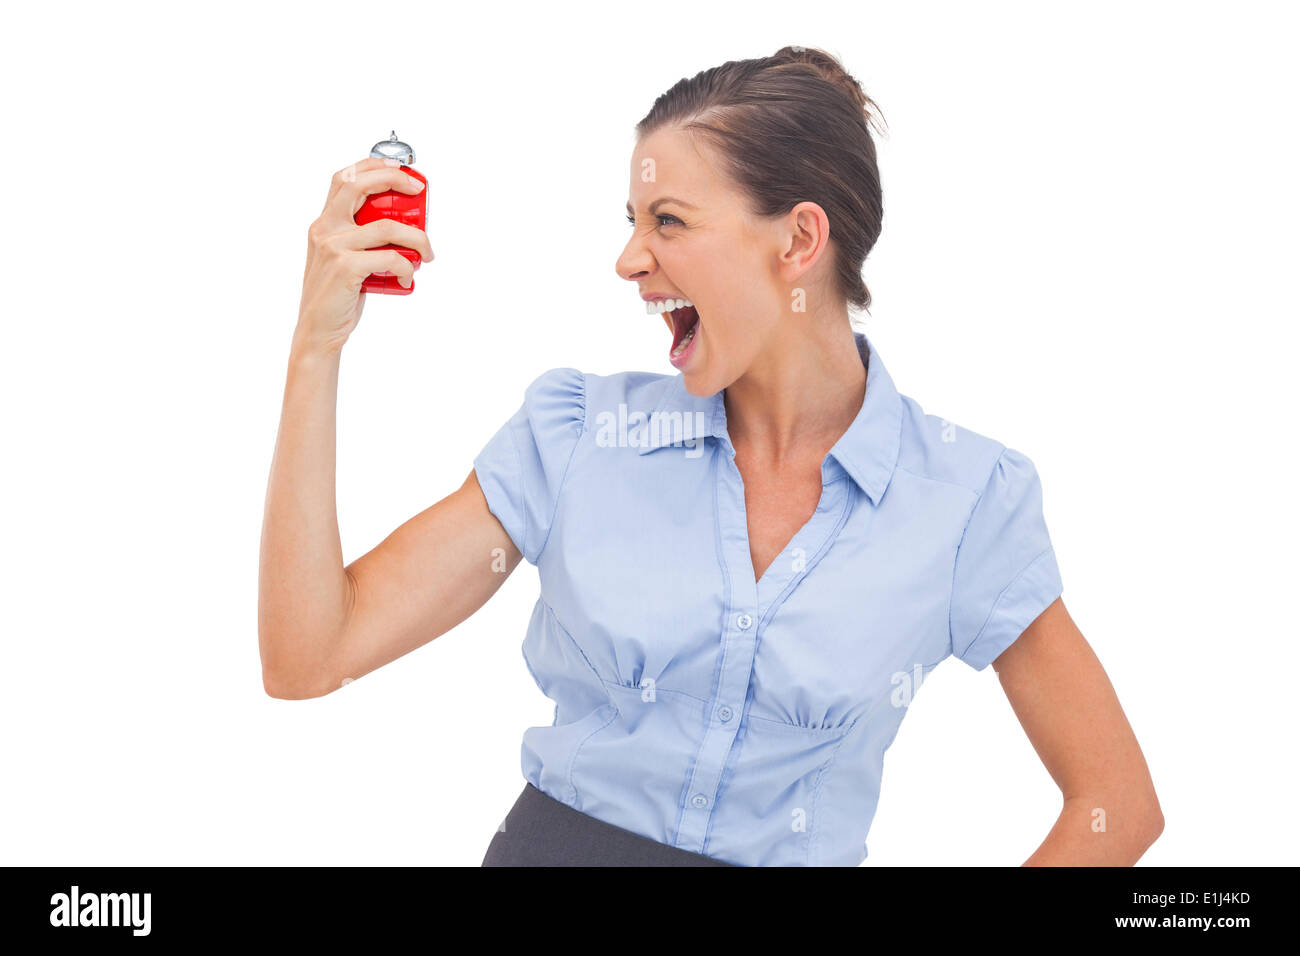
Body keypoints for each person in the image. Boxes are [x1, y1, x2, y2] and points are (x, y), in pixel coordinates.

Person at [258, 46, 1163, 867]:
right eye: (632, 219)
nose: (628, 258)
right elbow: (309, 655)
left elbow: (1114, 805)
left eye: (669, 221)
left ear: (799, 242)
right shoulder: (578, 436)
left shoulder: (965, 502)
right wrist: (315, 348)